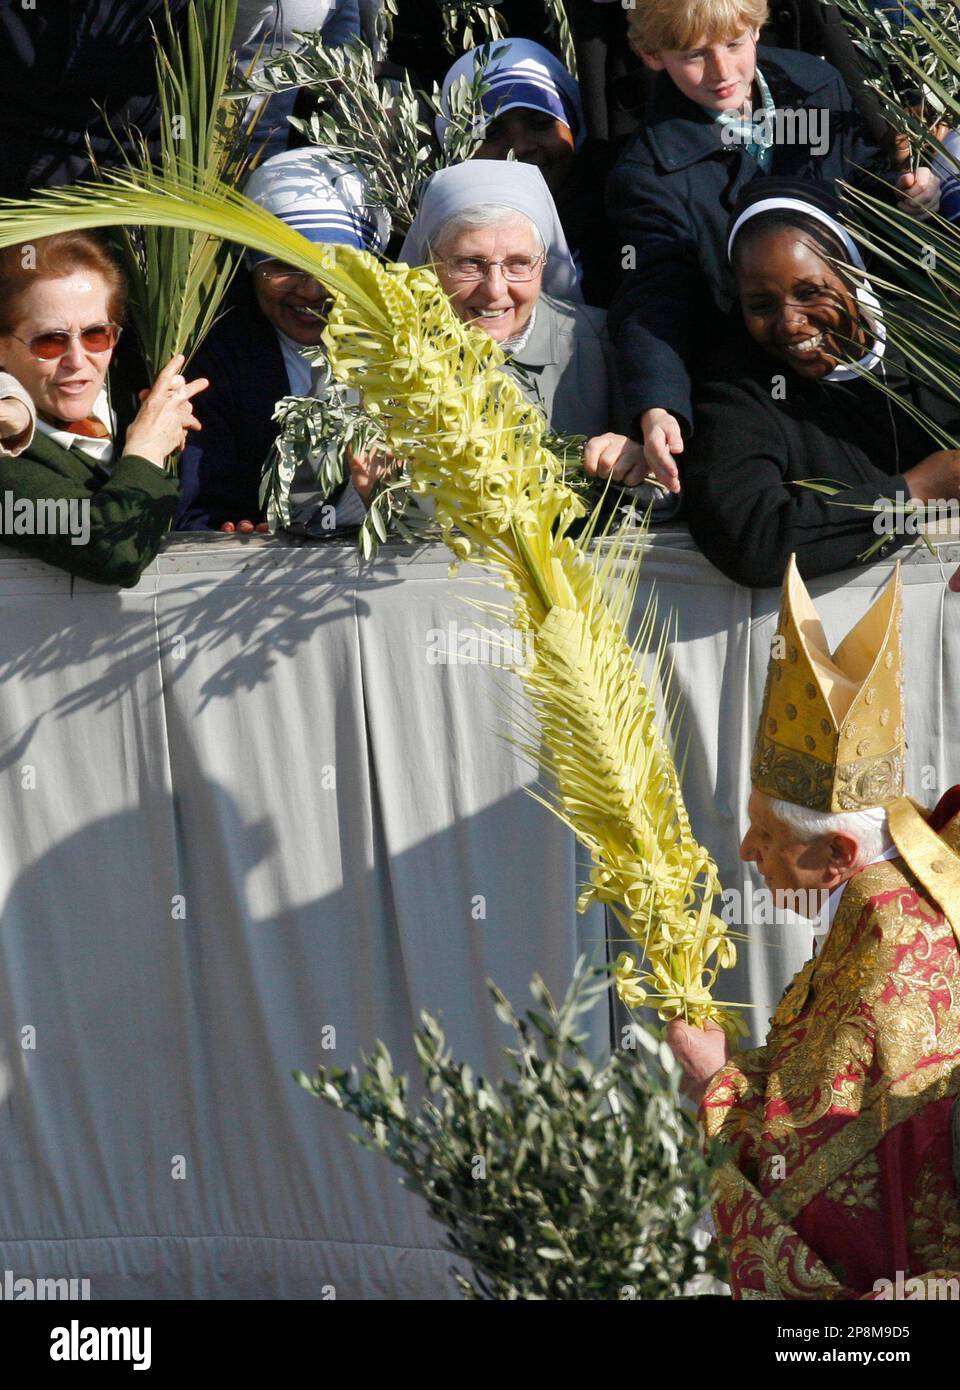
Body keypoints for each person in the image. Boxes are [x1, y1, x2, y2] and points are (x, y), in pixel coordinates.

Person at [668, 557, 960, 1299]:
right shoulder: (911, 870)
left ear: (839, 854)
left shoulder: (888, 952)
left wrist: (714, 1080)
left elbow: (818, 1181)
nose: (745, 852)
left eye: (766, 833)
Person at [606, 0, 940, 493]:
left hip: (869, 351)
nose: (722, 72)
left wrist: (907, 193)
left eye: (735, 44)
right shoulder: (647, 174)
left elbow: (863, 184)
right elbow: (656, 294)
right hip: (764, 379)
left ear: (758, 30)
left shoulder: (813, 84)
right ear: (651, 55)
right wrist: (659, 402)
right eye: (694, 55)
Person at [679, 184, 960, 587]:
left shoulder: (937, 339)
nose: (790, 322)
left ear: (853, 276)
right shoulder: (739, 391)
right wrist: (914, 491)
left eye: (810, 292)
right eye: (761, 305)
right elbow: (750, 538)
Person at [399, 160, 652, 493]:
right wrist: (370, 490)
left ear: (544, 263)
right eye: (469, 263)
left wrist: (634, 466)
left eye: (518, 264)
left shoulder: (603, 342)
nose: (495, 290)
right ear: (430, 263)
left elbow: (666, 490)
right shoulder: (389, 356)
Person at [174, 149, 391, 533]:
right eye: (284, 264)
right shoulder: (218, 360)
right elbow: (203, 507)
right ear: (250, 263)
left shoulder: (404, 358)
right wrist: (233, 531)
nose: (311, 289)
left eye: (335, 267)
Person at [0, 233, 206, 587]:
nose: (78, 362)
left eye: (97, 335)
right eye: (50, 340)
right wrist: (147, 451)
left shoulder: (141, 399)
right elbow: (113, 549)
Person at [436, 39, 618, 304]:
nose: (520, 147)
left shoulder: (617, 230)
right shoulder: (439, 253)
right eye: (492, 133)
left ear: (575, 126)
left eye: (541, 123)